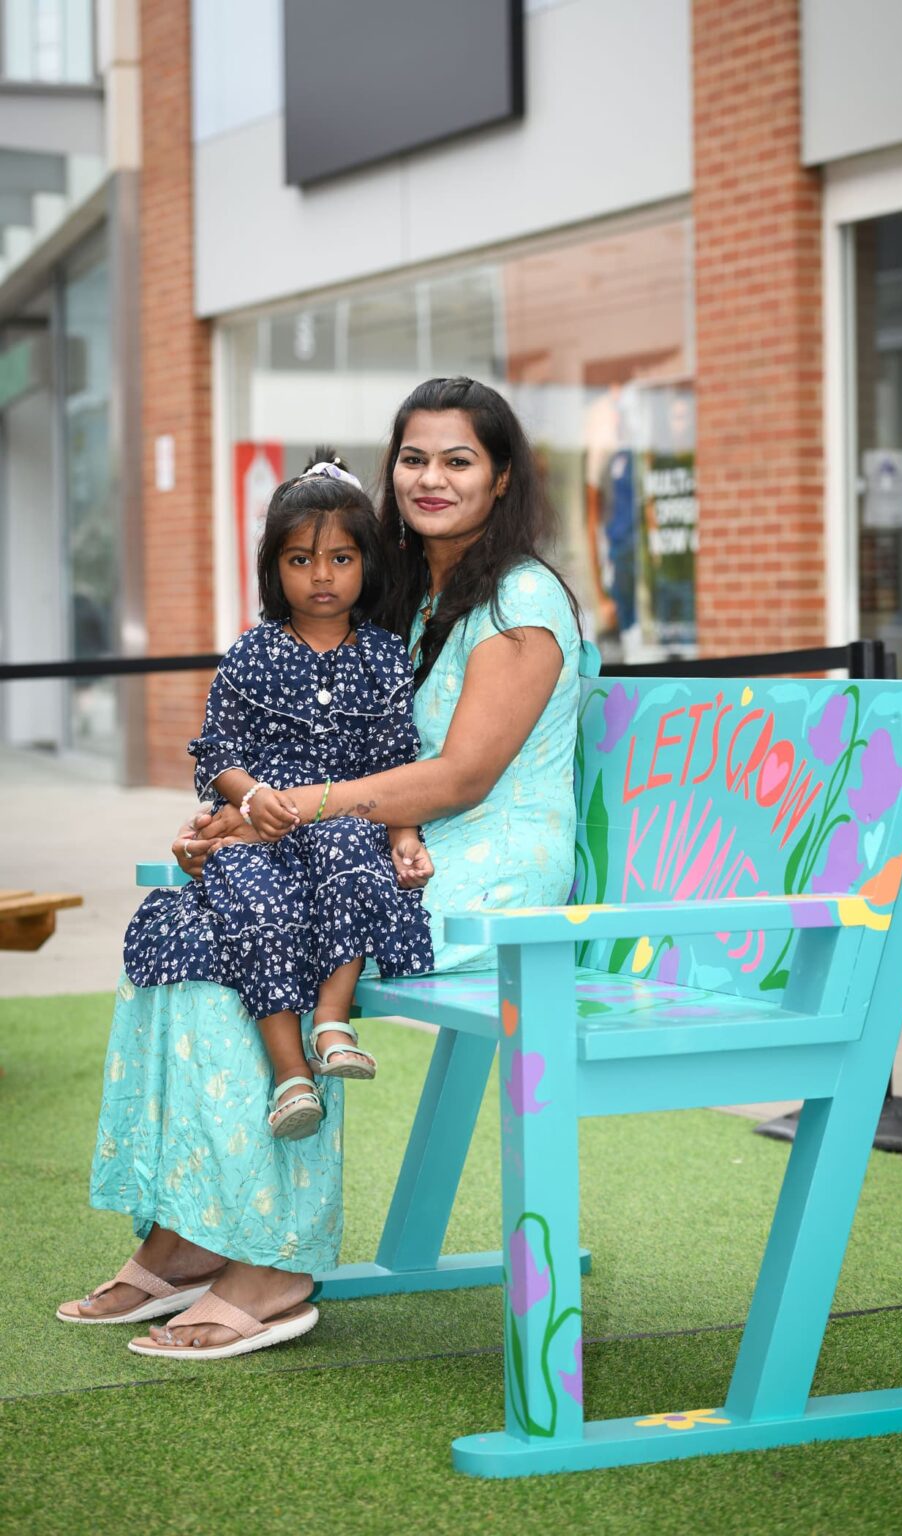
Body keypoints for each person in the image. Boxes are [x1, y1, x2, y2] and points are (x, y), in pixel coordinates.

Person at [59, 376, 585, 1360]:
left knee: (275, 939)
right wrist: (235, 815)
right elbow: (318, 746)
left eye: (459, 459)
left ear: (503, 476)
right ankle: (189, 1229)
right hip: (381, 836)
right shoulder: (400, 587)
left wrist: (281, 812)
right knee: (187, 924)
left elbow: (464, 775)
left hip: (488, 860)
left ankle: (275, 1258)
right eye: (415, 458)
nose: (432, 478)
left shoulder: (521, 598)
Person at [121, 453, 434, 1142]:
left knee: (359, 852)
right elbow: (217, 755)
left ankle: (331, 1021)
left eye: (341, 559)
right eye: (300, 560)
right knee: (250, 899)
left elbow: (397, 764)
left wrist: (406, 840)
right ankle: (291, 1075)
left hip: (344, 825)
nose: (321, 576)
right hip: (258, 834)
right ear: (274, 569)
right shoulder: (251, 654)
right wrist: (253, 793)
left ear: (367, 566)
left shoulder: (383, 657)